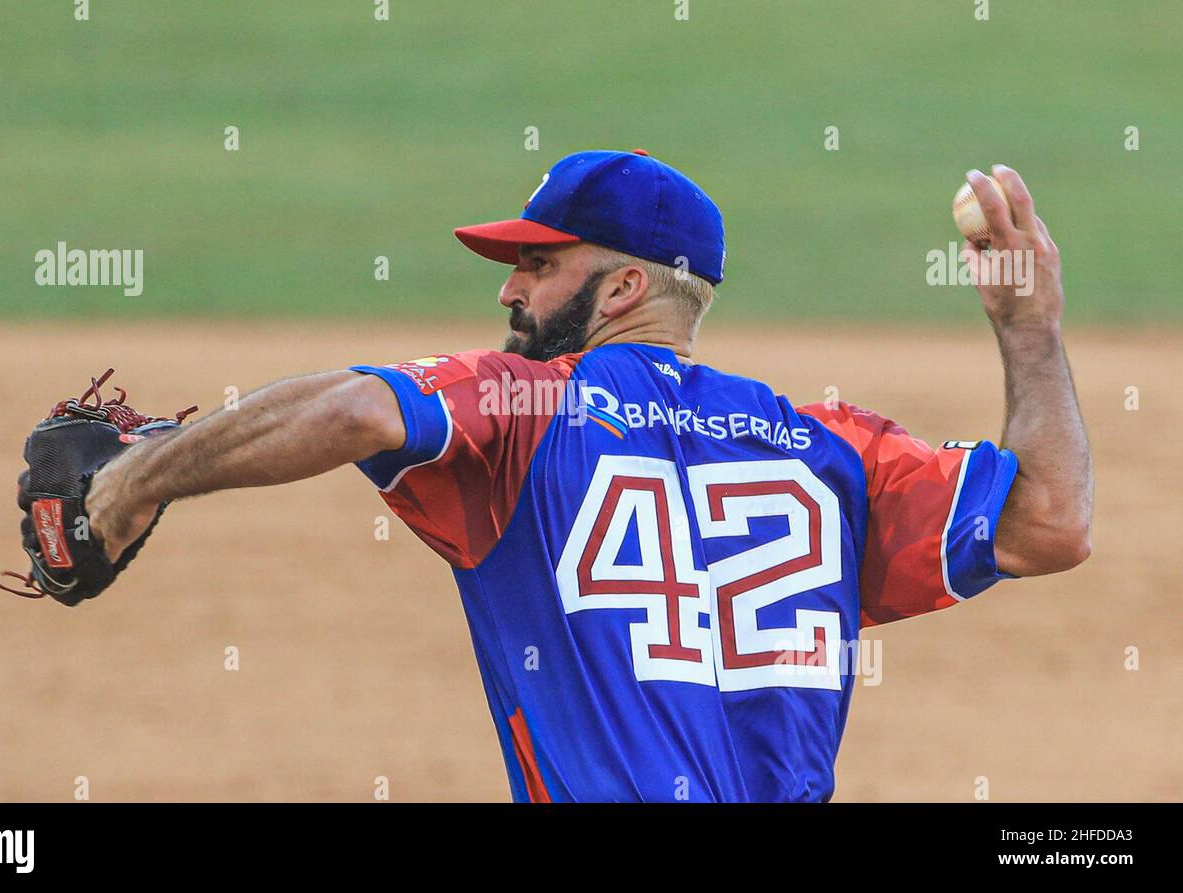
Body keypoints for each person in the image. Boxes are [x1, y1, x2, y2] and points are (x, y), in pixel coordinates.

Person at [84, 150, 1092, 802]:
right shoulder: (826, 449)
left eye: (538, 265)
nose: (508, 288)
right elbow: (1050, 521)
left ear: (619, 288)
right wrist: (1029, 328)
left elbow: (353, 408)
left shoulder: (531, 404)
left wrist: (130, 485)